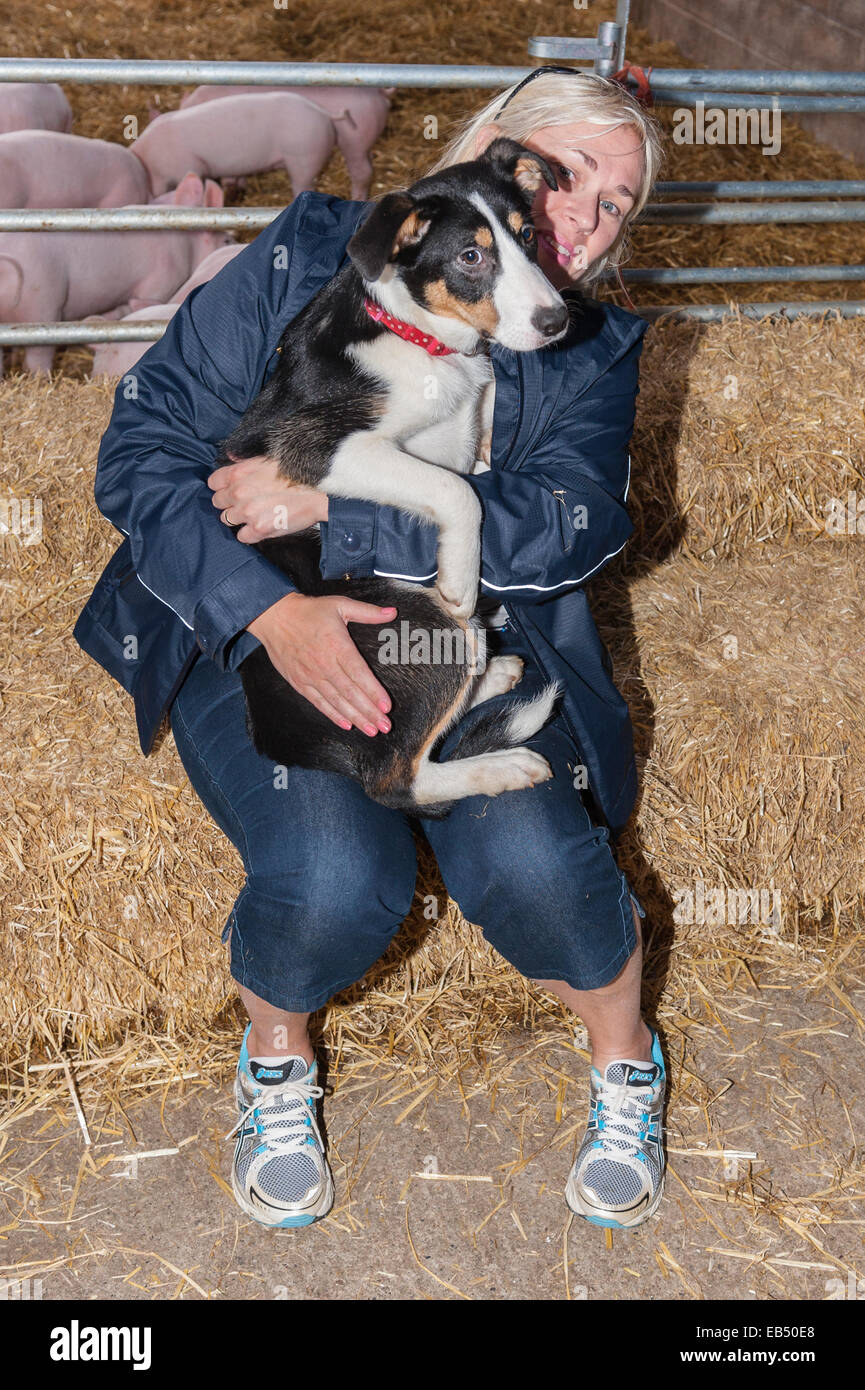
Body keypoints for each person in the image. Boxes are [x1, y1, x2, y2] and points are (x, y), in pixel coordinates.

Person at [73, 67, 666, 1232]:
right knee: (336, 879)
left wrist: (338, 513)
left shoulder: (587, 346)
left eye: (617, 205)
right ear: (497, 152)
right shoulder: (307, 257)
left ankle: (626, 1057)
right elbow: (141, 451)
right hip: (260, 626)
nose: (582, 218)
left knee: (542, 865)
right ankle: (277, 1059)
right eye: (570, 173)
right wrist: (265, 609)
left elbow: (575, 521)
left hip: (463, 634)